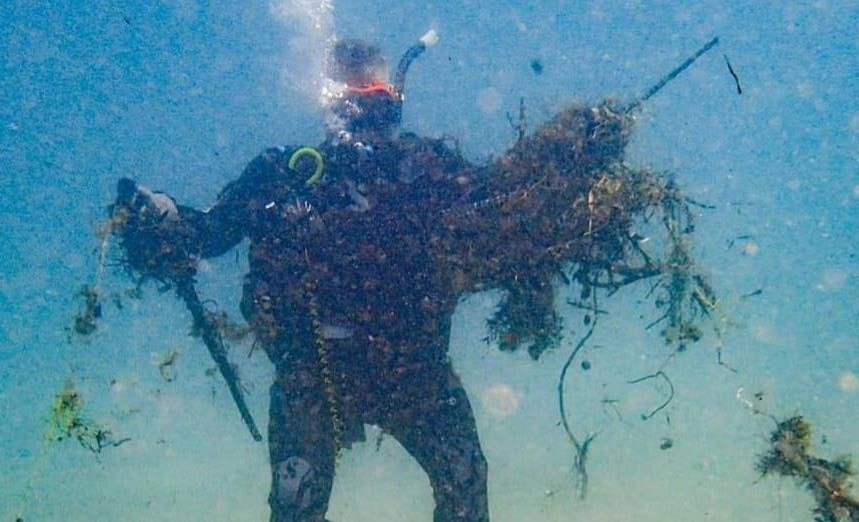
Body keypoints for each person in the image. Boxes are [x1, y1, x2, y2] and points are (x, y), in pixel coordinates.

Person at [112, 33, 714, 522]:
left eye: (370, 89)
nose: (365, 107)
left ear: (385, 97)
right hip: (329, 376)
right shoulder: (289, 174)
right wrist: (158, 217)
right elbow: (202, 234)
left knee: (460, 487)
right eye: (358, 91)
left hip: (405, 374)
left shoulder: (418, 168)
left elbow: (511, 202)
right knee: (436, 493)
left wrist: (576, 149)